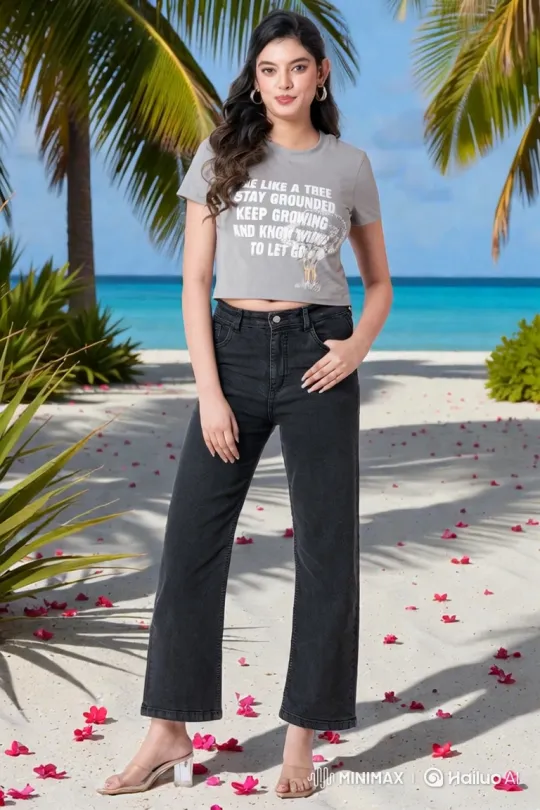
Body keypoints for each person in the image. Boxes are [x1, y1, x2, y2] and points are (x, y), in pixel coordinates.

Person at [98, 7, 393, 800]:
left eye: (298, 67)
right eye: (269, 70)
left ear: (320, 74)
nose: (284, 82)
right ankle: (167, 732)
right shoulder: (220, 156)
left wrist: (355, 347)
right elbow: (194, 281)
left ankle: (302, 737)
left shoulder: (350, 165)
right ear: (254, 81)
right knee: (191, 544)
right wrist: (209, 392)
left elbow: (379, 283)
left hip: (316, 358)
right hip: (230, 350)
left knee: (325, 549)